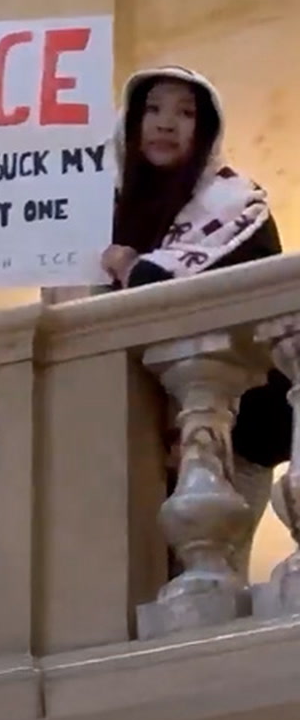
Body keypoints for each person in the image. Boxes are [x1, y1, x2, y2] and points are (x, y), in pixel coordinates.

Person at [98, 66, 287, 576]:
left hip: (231, 431)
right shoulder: (101, 211)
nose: (166, 124)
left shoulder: (237, 208)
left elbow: (232, 303)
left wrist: (137, 269)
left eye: (185, 113)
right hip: (129, 430)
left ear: (205, 130)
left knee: (212, 578)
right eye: (154, 109)